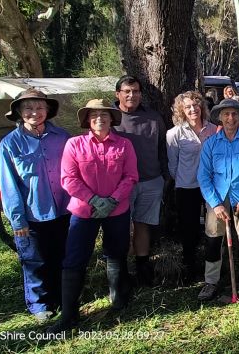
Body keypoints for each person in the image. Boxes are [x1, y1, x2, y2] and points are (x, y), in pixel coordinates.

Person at [48, 99, 138, 333]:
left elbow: (130, 177)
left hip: (116, 209)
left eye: (104, 115)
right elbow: (68, 179)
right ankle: (69, 314)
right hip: (83, 211)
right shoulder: (74, 144)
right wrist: (93, 200)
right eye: (94, 115)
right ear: (87, 120)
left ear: (111, 119)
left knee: (116, 252)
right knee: (74, 258)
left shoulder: (124, 145)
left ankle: (118, 299)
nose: (100, 119)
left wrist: (112, 200)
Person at [0, 88, 71, 322]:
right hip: (32, 214)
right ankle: (39, 304)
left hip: (64, 209)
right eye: (28, 108)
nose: (34, 112)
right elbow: (8, 186)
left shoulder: (63, 137)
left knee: (61, 255)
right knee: (34, 260)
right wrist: (17, 219)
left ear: (47, 110)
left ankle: (62, 296)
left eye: (39, 107)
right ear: (19, 112)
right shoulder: (9, 144)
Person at [196, 99, 239, 300]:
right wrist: (215, 204)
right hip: (217, 200)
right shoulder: (210, 144)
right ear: (220, 117)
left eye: (234, 114)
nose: (230, 118)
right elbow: (203, 175)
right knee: (213, 240)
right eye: (226, 114)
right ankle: (211, 281)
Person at [112, 75, 168, 287]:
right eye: (126, 91)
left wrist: (164, 175)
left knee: (143, 224)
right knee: (121, 228)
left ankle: (143, 267)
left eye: (135, 91)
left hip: (151, 180)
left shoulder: (153, 118)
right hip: (119, 186)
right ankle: (121, 272)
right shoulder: (109, 118)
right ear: (118, 94)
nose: (131, 95)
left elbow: (163, 148)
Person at [166, 91, 218, 281]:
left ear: (202, 107)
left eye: (195, 105)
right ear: (181, 110)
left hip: (211, 186)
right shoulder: (174, 134)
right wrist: (184, 178)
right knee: (189, 228)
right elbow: (173, 165)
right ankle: (190, 266)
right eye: (187, 106)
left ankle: (213, 266)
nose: (192, 109)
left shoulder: (214, 130)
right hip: (187, 187)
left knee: (213, 227)